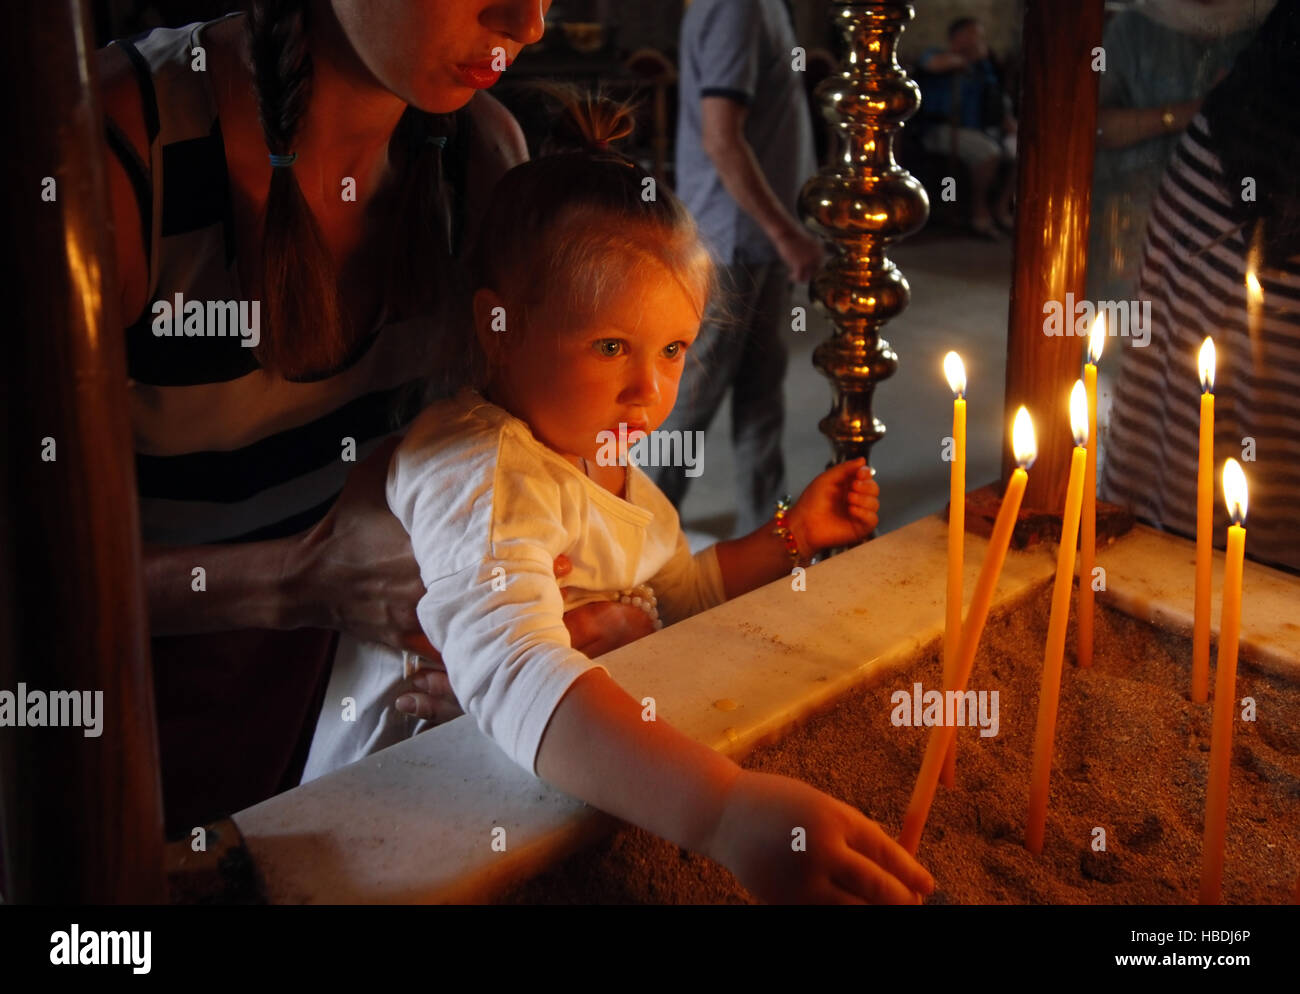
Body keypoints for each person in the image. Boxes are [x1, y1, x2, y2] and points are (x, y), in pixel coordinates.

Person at [300, 88, 930, 905]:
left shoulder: (616, 472)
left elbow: (677, 597)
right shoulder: (483, 471)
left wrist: (790, 536)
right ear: (499, 328)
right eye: (609, 346)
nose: (649, 389)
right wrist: (723, 814)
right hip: (402, 826)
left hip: (548, 784)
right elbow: (517, 671)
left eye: (673, 348)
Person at [97, 0, 654, 837]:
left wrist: (585, 609)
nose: (528, 23)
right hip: (120, 745)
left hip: (356, 745)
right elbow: (28, 574)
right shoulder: (116, 155)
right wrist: (299, 581)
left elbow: (523, 474)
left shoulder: (480, 158)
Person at [1100, 0, 1300, 573]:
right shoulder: (1133, 30)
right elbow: (1088, 123)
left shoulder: (1249, 38)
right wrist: (1178, 113)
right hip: (1138, 222)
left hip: (1215, 548)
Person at [654, 0, 822, 538]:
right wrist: (785, 231)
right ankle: (632, 541)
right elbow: (721, 137)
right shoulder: (737, 5)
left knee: (760, 393)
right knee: (687, 404)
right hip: (733, 242)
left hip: (751, 241)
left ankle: (769, 534)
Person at [914, 16, 1017, 238]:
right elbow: (932, 65)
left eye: (979, 36)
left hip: (981, 129)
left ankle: (1001, 207)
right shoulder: (935, 55)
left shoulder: (984, 68)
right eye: (972, 35)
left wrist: (1007, 120)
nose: (977, 41)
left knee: (1020, 151)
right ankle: (978, 212)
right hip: (941, 129)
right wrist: (964, 60)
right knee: (988, 153)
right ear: (957, 37)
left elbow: (997, 98)